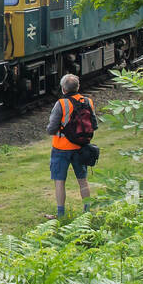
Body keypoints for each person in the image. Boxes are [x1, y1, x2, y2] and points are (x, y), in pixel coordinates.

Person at [47, 73, 99, 220]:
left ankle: (61, 214)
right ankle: (87, 212)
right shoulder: (88, 102)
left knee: (60, 181)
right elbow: (94, 125)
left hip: (60, 148)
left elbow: (51, 129)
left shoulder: (61, 104)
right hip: (81, 149)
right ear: (78, 87)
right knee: (83, 181)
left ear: (63, 89)